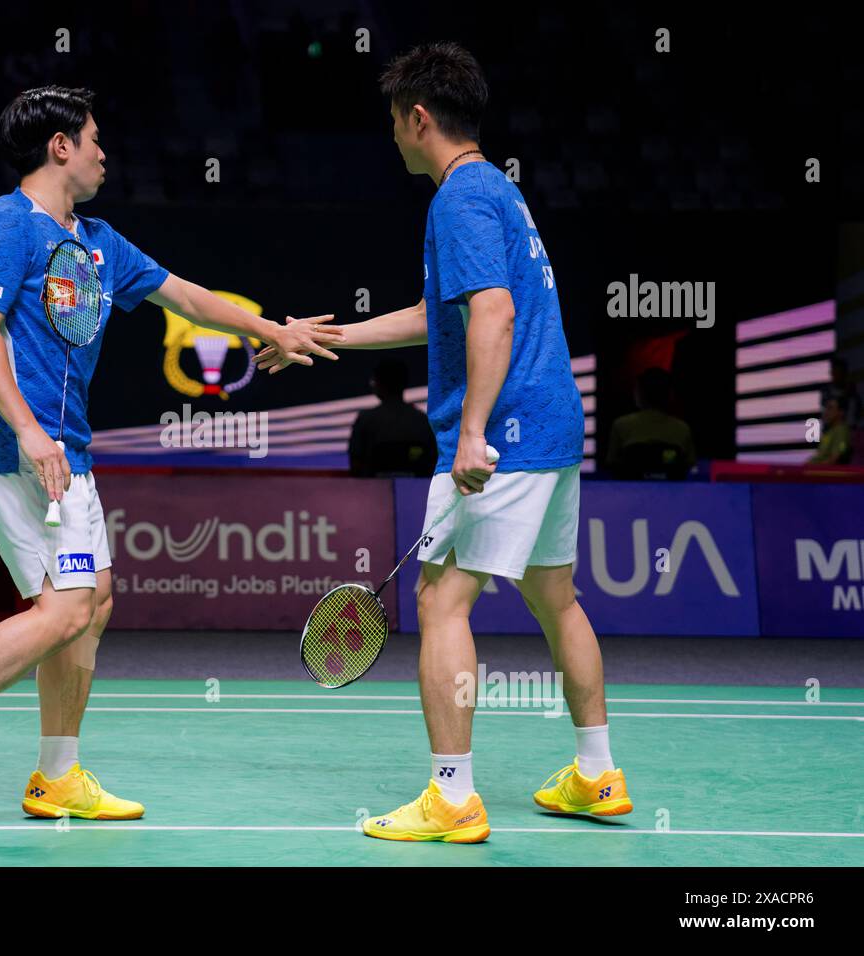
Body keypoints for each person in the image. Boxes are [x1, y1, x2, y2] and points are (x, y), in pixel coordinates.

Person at [0, 85, 341, 828]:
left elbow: (183, 294)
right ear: (60, 145)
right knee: (64, 611)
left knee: (92, 607)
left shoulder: (96, 241)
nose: (103, 152)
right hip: (13, 451)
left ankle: (56, 777)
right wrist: (29, 431)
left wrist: (269, 330)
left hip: (71, 457)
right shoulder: (6, 225)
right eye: (93, 138)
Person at [258, 42, 630, 843]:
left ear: (418, 116)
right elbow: (447, 314)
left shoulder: (457, 199)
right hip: (554, 425)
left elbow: (491, 315)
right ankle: (597, 775)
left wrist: (470, 433)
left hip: (504, 435)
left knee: (440, 600)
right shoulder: (496, 190)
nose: (391, 135)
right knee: (555, 597)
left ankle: (453, 795)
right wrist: (331, 337)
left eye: (393, 121)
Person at [348, 358, 436, 476]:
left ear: (379, 383)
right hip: (417, 490)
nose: (372, 384)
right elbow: (432, 461)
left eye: (374, 380)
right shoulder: (422, 420)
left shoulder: (365, 419)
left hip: (372, 489)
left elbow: (356, 464)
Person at [605, 367, 695, 478]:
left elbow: (612, 465)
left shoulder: (620, 425)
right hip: (672, 493)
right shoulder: (683, 428)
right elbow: (690, 467)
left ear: (640, 393)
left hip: (629, 492)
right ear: (669, 394)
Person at [807, 393, 852, 464]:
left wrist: (812, 470)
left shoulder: (841, 431)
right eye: (825, 408)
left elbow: (836, 458)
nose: (826, 412)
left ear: (841, 412)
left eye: (830, 408)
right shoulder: (830, 431)